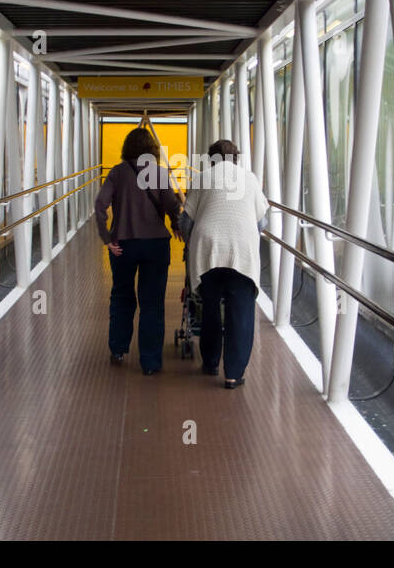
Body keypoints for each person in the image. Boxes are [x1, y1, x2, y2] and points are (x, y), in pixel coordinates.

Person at [95, 127, 183, 375]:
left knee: (122, 296)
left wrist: (106, 237)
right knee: (152, 303)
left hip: (123, 245)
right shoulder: (159, 173)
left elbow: (100, 206)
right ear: (152, 149)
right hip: (156, 245)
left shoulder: (117, 173)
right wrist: (176, 225)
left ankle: (118, 349)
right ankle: (151, 362)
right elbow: (171, 205)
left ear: (127, 148)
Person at [182, 139, 268, 389]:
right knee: (240, 313)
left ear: (211, 159)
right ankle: (233, 374)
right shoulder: (249, 179)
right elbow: (262, 223)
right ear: (236, 159)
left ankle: (210, 363)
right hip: (242, 252)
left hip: (207, 249)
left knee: (209, 309)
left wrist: (191, 242)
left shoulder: (202, 178)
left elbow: (186, 221)